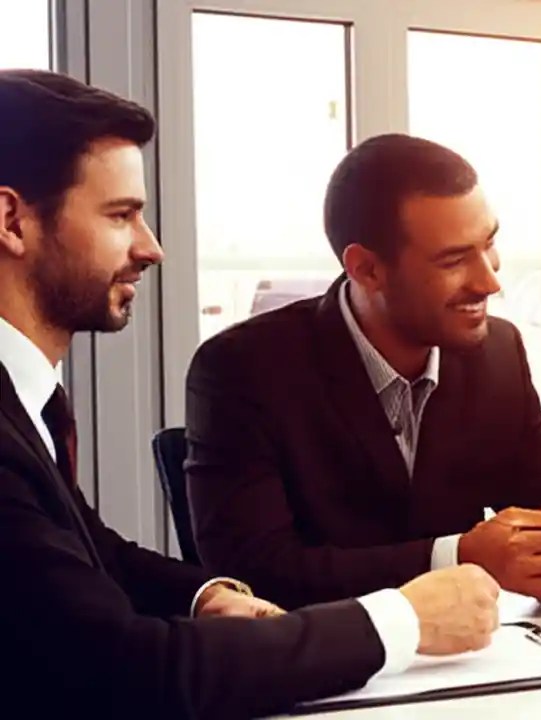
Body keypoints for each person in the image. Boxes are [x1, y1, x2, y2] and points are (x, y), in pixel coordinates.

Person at [0, 69, 500, 718]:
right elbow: (126, 670)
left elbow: (96, 555)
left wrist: (206, 595)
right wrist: (402, 620)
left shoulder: (27, 404)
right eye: (121, 215)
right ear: (11, 220)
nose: (151, 248)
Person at [185, 133, 541, 610]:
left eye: (489, 244)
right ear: (368, 269)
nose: (490, 280)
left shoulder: (498, 354)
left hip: (476, 663)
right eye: (454, 259)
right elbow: (252, 574)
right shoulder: (244, 369)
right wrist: (457, 557)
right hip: (316, 673)